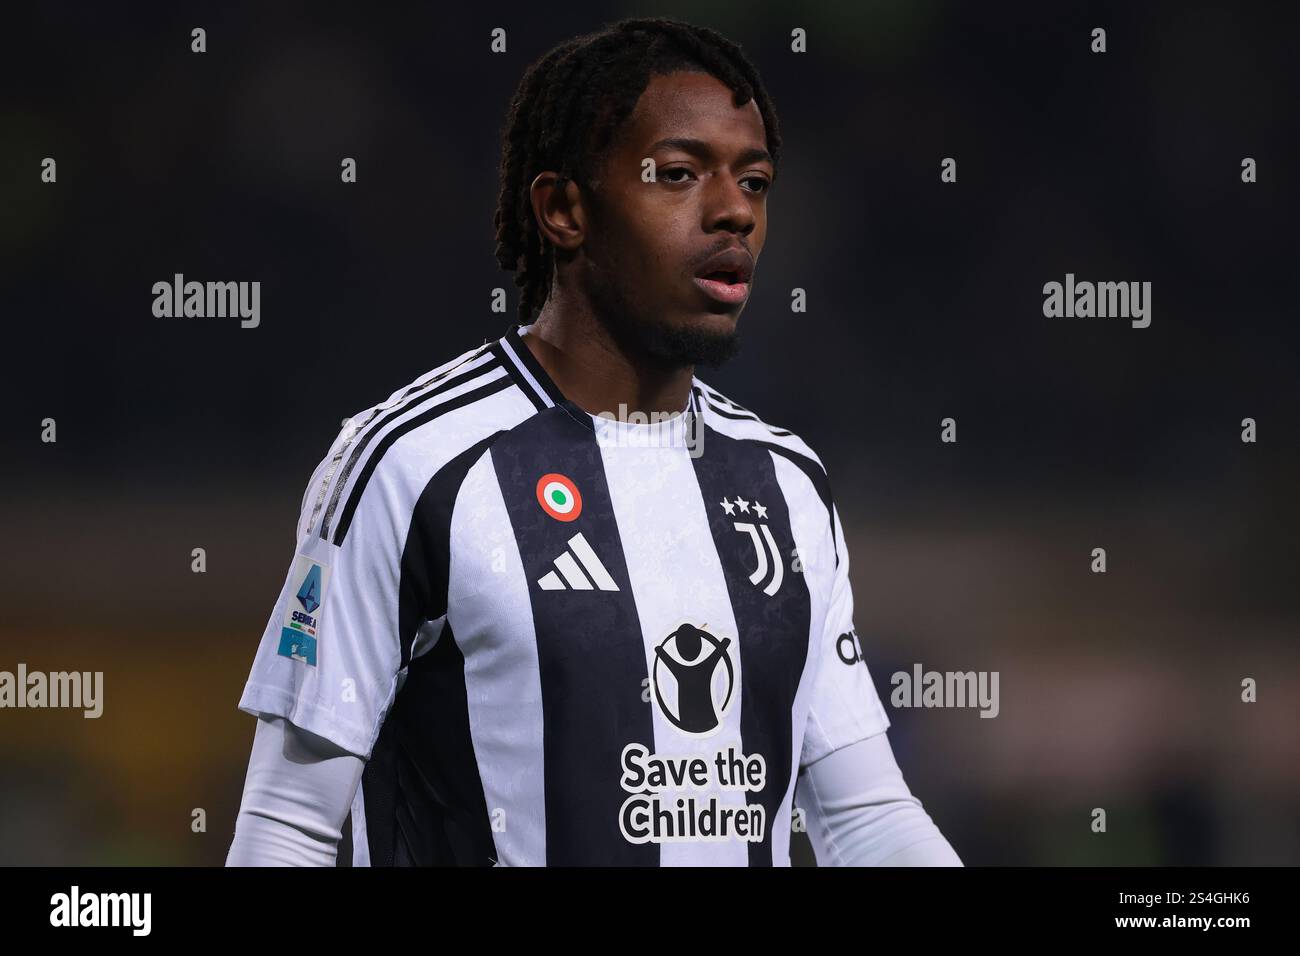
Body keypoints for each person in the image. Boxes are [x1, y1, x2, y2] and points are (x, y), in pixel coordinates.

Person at [228, 17, 961, 867]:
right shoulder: (412, 465)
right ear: (564, 210)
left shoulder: (786, 483)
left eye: (755, 182)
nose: (734, 212)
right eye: (680, 175)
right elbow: (290, 827)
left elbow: (866, 816)